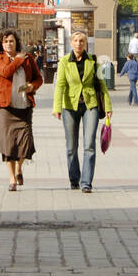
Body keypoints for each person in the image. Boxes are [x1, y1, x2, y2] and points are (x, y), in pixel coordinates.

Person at [52, 30, 111, 193]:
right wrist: (56, 107)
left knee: (89, 145)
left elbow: (101, 84)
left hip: (90, 105)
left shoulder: (92, 61)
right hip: (69, 106)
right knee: (71, 147)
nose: (79, 44)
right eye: (76, 41)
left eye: (82, 41)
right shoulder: (64, 61)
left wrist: (107, 106)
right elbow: (60, 86)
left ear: (86, 44)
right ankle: (74, 179)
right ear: (71, 43)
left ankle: (86, 182)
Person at [0, 29, 43, 192]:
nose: (8, 44)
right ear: (1, 44)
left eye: (11, 41)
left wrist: (31, 86)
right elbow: (6, 72)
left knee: (25, 144)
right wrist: (18, 60)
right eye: (5, 41)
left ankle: (20, 168)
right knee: (8, 145)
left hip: (24, 105)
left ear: (16, 42)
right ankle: (12, 178)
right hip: (7, 108)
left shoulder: (28, 59)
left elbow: (38, 78)